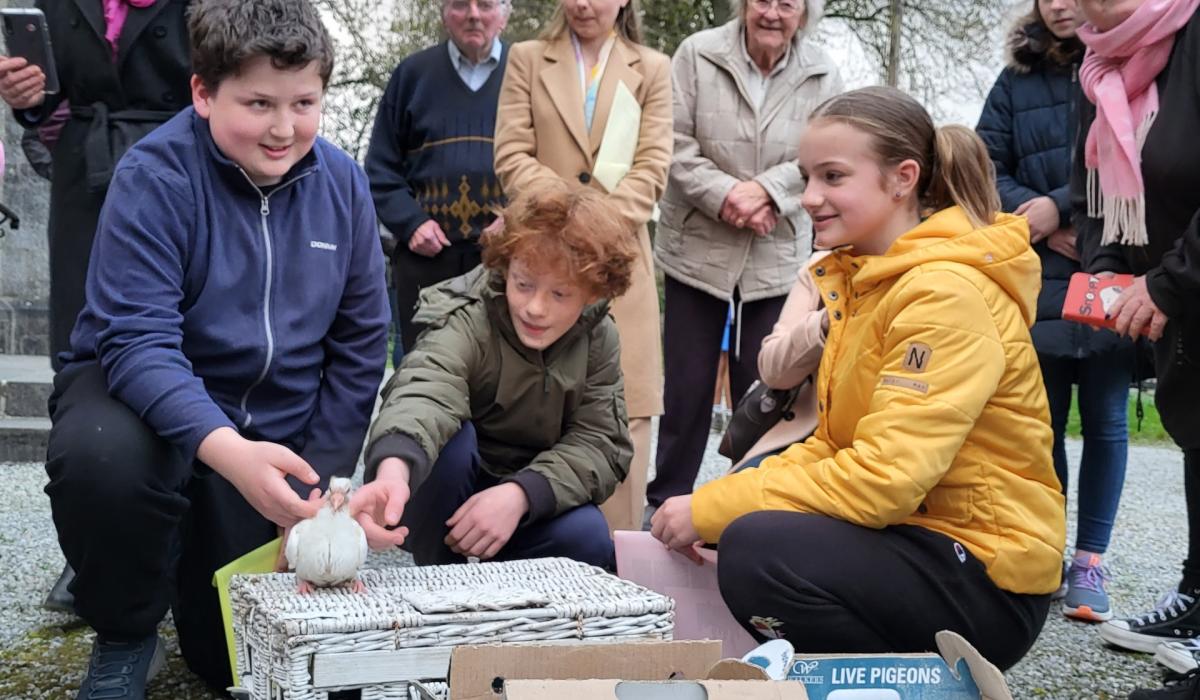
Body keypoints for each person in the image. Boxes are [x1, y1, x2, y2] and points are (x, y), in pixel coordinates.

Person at [40, 1, 394, 696]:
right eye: (258, 102)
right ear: (203, 92)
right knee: (101, 458)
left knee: (230, 659)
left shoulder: (345, 187)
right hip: (149, 410)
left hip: (275, 435)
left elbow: (358, 349)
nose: (284, 128)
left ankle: (186, 558)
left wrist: (315, 494)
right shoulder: (155, 177)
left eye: (304, 102)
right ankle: (125, 628)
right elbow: (137, 339)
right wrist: (226, 451)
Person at [650, 86, 1066, 671]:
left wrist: (718, 509)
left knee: (757, 550)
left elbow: (882, 481)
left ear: (903, 179)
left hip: (988, 577)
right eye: (806, 177)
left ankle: (918, 685)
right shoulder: (866, 285)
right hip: (916, 536)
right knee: (736, 525)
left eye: (833, 177)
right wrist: (712, 503)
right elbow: (830, 445)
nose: (810, 197)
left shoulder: (943, 294)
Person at [0, 0, 195, 615]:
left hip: (183, 163)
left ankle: (189, 529)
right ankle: (93, 545)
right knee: (81, 352)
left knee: (182, 344)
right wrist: (26, 97)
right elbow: (48, 107)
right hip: (87, 172)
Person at [362, 181, 637, 570]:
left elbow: (600, 440)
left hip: (527, 498)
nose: (535, 308)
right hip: (450, 498)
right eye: (523, 284)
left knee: (589, 535)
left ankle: (522, 605)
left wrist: (521, 494)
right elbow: (426, 388)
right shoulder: (469, 314)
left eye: (560, 295)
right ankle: (438, 578)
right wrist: (393, 472)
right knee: (455, 445)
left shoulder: (599, 337)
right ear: (506, 266)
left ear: (592, 294)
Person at [647, 0, 842, 522]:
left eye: (787, 4)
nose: (772, 13)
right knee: (685, 387)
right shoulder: (697, 53)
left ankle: (746, 511)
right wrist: (727, 195)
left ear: (804, 13)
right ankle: (664, 504)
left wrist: (767, 193)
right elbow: (673, 141)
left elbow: (826, 155)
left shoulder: (823, 72)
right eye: (762, 0)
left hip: (775, 251)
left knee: (769, 390)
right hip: (697, 249)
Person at [976, 0, 1133, 624]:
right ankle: (1046, 549)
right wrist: (1037, 216)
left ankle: (1090, 561)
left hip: (1114, 261)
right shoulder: (1017, 76)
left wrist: (1071, 213)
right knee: (1040, 420)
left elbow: (1138, 153)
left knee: (1105, 413)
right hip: (1037, 267)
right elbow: (986, 164)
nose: (1062, 4)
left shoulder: (1129, 61)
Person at [493, 0, 672, 533]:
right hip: (541, 260)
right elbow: (511, 154)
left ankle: (620, 569)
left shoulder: (654, 68)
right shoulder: (526, 58)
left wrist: (596, 231)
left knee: (628, 413)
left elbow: (653, 167)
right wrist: (565, 219)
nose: (584, 4)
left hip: (620, 270)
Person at [1063, 0, 1200, 693]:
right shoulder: (1098, 66)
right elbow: (1094, 198)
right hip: (1172, 296)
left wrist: (1171, 283)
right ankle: (1196, 600)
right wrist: (1109, 268)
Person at [365, 0, 511, 353]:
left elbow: (550, 161)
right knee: (423, 373)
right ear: (445, 14)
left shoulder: (527, 75)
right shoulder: (412, 75)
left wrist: (516, 217)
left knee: (503, 376)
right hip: (426, 262)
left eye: (486, 4)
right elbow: (380, 168)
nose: (474, 14)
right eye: (461, 4)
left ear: (505, 15)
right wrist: (410, 223)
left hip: (507, 259)